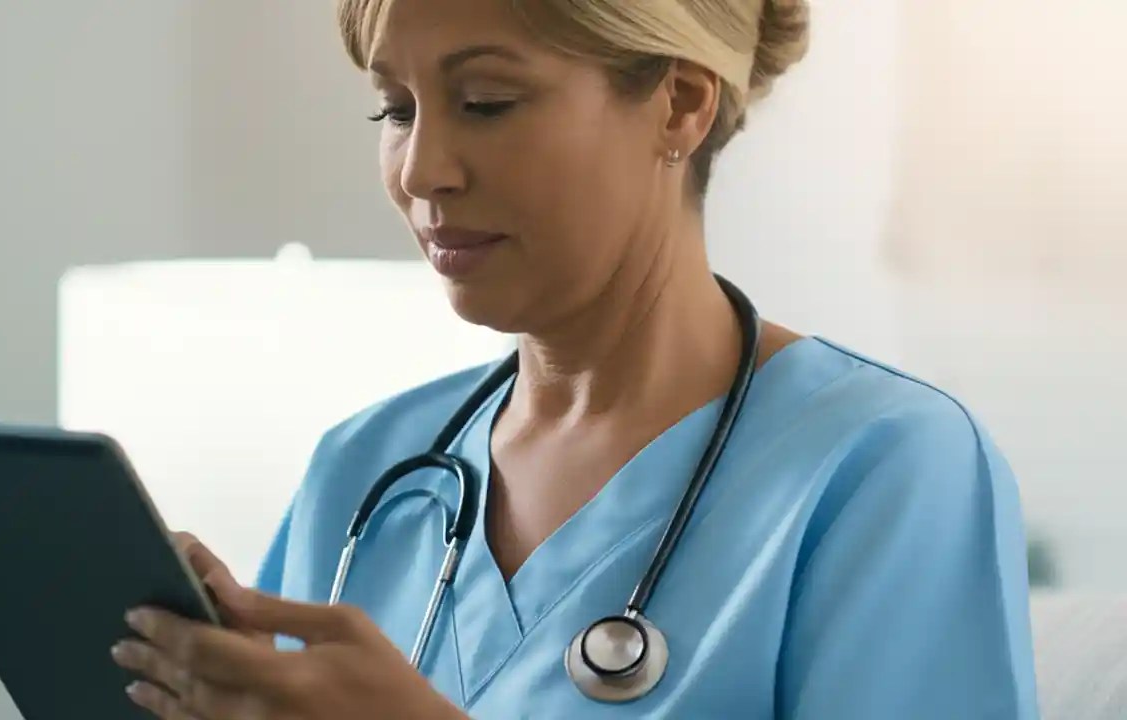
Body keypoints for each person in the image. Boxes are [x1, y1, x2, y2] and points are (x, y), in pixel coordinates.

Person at [110, 0, 1040, 717]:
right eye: (395, 108)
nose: (424, 167)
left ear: (678, 104)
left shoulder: (885, 469)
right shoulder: (366, 469)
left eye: (487, 103)